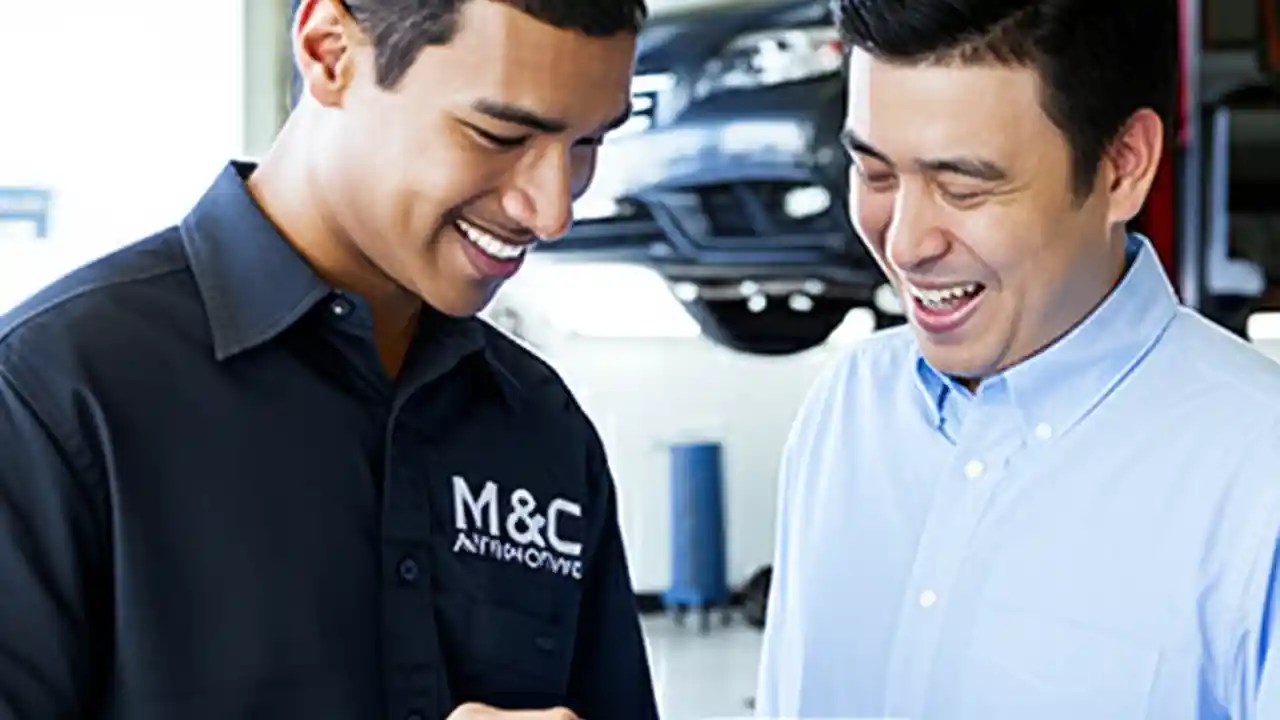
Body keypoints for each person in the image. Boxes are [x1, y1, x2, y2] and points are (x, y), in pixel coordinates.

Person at [0, 0, 659, 718]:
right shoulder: (50, 395)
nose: (553, 211)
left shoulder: (541, 425)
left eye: (588, 144)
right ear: (329, 52)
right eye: (499, 135)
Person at [755, 1, 1280, 718]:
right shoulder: (848, 410)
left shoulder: (1257, 475)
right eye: (875, 174)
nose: (905, 243)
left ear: (1123, 167)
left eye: (963, 188)